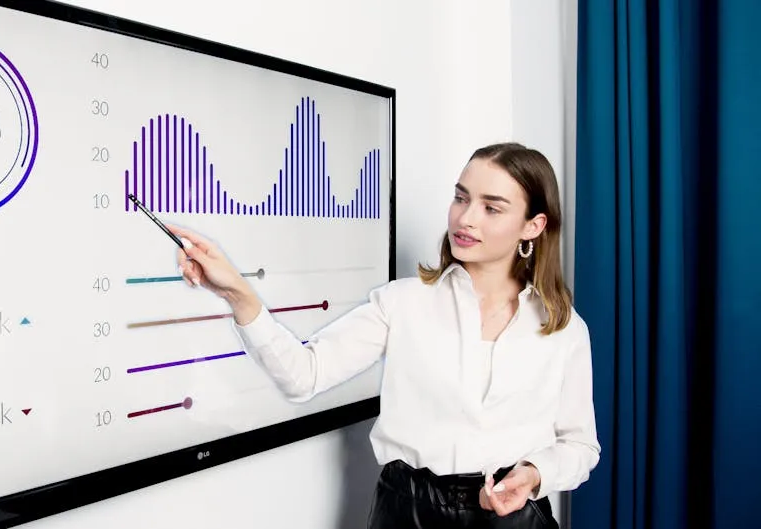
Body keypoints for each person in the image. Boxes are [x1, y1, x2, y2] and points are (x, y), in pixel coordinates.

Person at [169, 142, 600, 528]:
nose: (465, 218)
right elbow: (303, 375)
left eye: (492, 207)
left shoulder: (563, 330)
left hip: (514, 521)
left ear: (533, 226)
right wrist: (238, 294)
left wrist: (534, 473)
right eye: (460, 197)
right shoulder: (403, 302)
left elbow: (580, 446)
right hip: (406, 513)